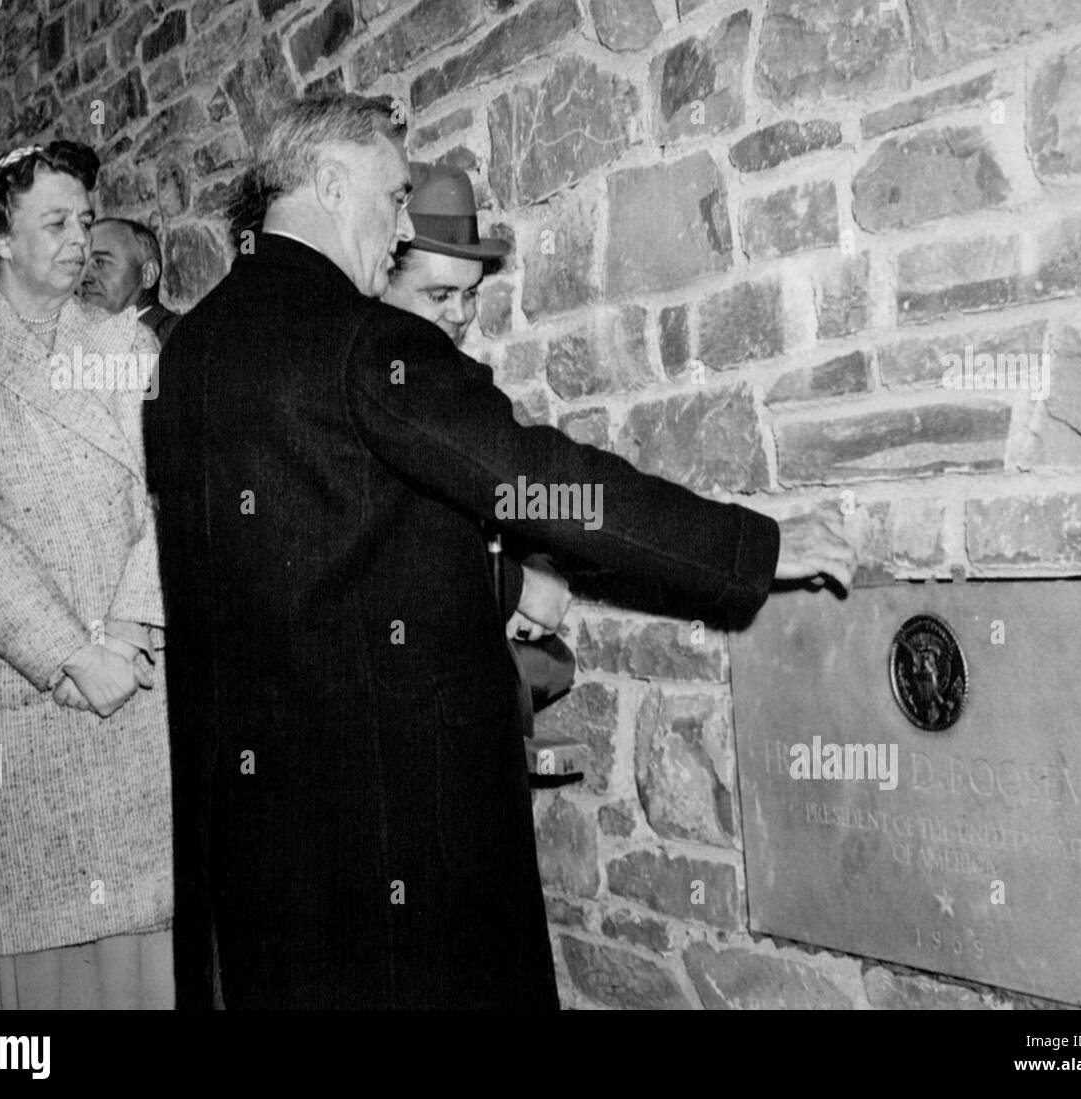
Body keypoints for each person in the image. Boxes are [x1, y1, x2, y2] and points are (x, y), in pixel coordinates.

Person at [147, 92, 856, 1010]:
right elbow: (545, 482)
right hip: (402, 831)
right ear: (330, 183)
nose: (401, 227)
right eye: (395, 196)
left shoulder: (187, 353)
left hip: (255, 845)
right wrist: (753, 547)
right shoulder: (367, 342)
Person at [0, 141, 174, 1009]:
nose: (78, 238)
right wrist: (67, 653)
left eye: (85, 219)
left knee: (140, 951)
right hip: (19, 705)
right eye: (54, 221)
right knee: (37, 968)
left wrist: (128, 632)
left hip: (131, 687)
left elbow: (164, 496)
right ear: (0, 238)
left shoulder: (125, 342)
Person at [382, 161, 575, 730]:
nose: (461, 315)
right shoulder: (374, 388)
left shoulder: (464, 386)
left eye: (470, 294)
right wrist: (512, 587)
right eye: (439, 293)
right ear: (381, 276)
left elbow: (509, 494)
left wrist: (533, 559)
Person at [79, 217, 180, 344]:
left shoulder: (180, 337)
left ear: (148, 274)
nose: (83, 277)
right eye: (80, 264)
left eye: (100, 262)